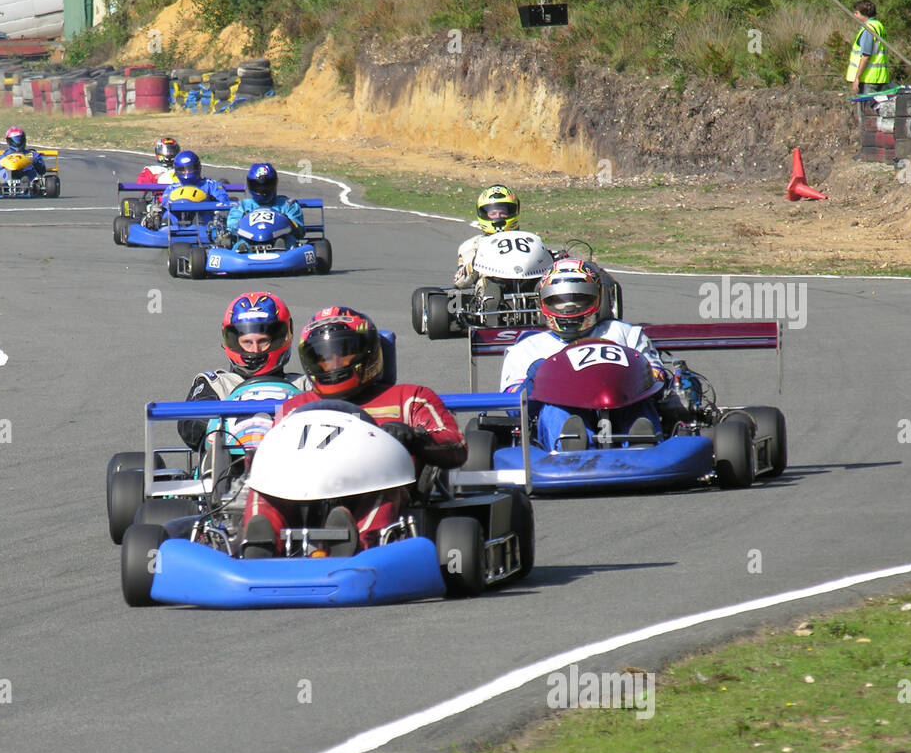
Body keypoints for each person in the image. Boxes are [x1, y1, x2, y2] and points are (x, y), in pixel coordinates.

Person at [242, 306, 467, 557]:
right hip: (303, 491)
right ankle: (258, 548)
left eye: (343, 354)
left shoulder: (409, 398)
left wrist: (415, 437)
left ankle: (359, 547)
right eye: (324, 357)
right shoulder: (295, 406)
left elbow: (455, 445)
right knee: (265, 488)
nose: (333, 364)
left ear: (367, 353)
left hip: (378, 488)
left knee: (382, 484)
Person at [499, 259, 668, 451]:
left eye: (579, 298)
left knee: (639, 406)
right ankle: (570, 444)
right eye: (558, 301)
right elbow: (513, 407)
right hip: (559, 415)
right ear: (543, 302)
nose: (569, 308)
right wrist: (534, 381)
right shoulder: (528, 347)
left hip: (622, 403)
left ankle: (643, 442)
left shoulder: (624, 333)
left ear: (598, 298)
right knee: (557, 409)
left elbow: (657, 378)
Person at [178, 292, 309, 457]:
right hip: (229, 470)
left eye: (263, 341)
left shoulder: (303, 385)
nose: (255, 350)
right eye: (247, 342)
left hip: (291, 462)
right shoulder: (217, 384)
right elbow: (189, 426)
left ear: (281, 339)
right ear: (233, 342)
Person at [215, 162, 306, 250]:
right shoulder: (241, 206)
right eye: (257, 186)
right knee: (241, 242)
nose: (262, 189)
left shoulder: (287, 204)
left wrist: (286, 221)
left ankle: (281, 248)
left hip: (281, 239)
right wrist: (241, 221)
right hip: (250, 240)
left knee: (289, 240)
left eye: (266, 185)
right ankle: (242, 251)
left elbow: (299, 229)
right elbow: (232, 228)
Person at [453, 184, 523, 288]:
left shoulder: (526, 240)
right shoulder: (473, 245)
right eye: (493, 213)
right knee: (492, 285)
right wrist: (476, 262)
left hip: (525, 280)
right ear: (483, 214)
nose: (498, 217)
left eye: (503, 212)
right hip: (489, 286)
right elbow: (459, 281)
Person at [146, 150, 230, 231]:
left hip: (202, 216)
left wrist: (211, 202)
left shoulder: (210, 184)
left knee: (205, 215)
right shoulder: (172, 187)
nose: (187, 172)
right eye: (183, 170)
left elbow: (223, 201)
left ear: (198, 167)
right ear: (177, 171)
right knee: (168, 214)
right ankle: (165, 229)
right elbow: (165, 203)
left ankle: (206, 230)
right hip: (176, 215)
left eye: (190, 169)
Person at [847, 0, 890, 100]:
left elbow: (866, 56)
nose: (854, 15)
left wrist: (857, 78)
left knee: (869, 111)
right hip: (881, 77)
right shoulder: (879, 26)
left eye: (856, 13)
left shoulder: (868, 29)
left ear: (864, 14)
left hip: (868, 79)